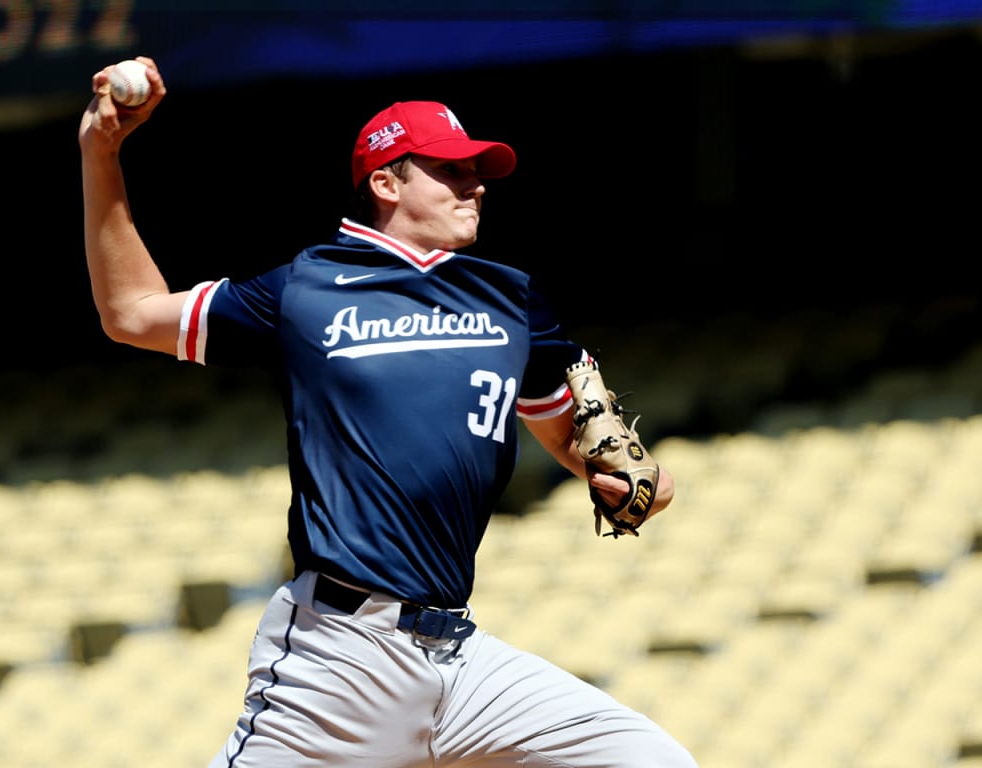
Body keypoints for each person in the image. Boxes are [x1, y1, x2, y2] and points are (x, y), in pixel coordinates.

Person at [79, 56, 697, 768]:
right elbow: (131, 313)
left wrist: (637, 482)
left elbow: (580, 444)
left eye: (476, 170)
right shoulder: (306, 289)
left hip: (460, 661)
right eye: (450, 170)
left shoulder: (512, 298)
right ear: (385, 181)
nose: (475, 184)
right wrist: (102, 152)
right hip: (341, 659)